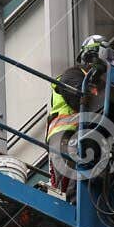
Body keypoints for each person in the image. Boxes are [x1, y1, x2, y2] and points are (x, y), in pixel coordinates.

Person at [46, 35, 109, 198]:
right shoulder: (72, 75)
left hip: (81, 136)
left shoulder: (97, 84)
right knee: (70, 180)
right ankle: (71, 201)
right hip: (64, 135)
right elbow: (79, 102)